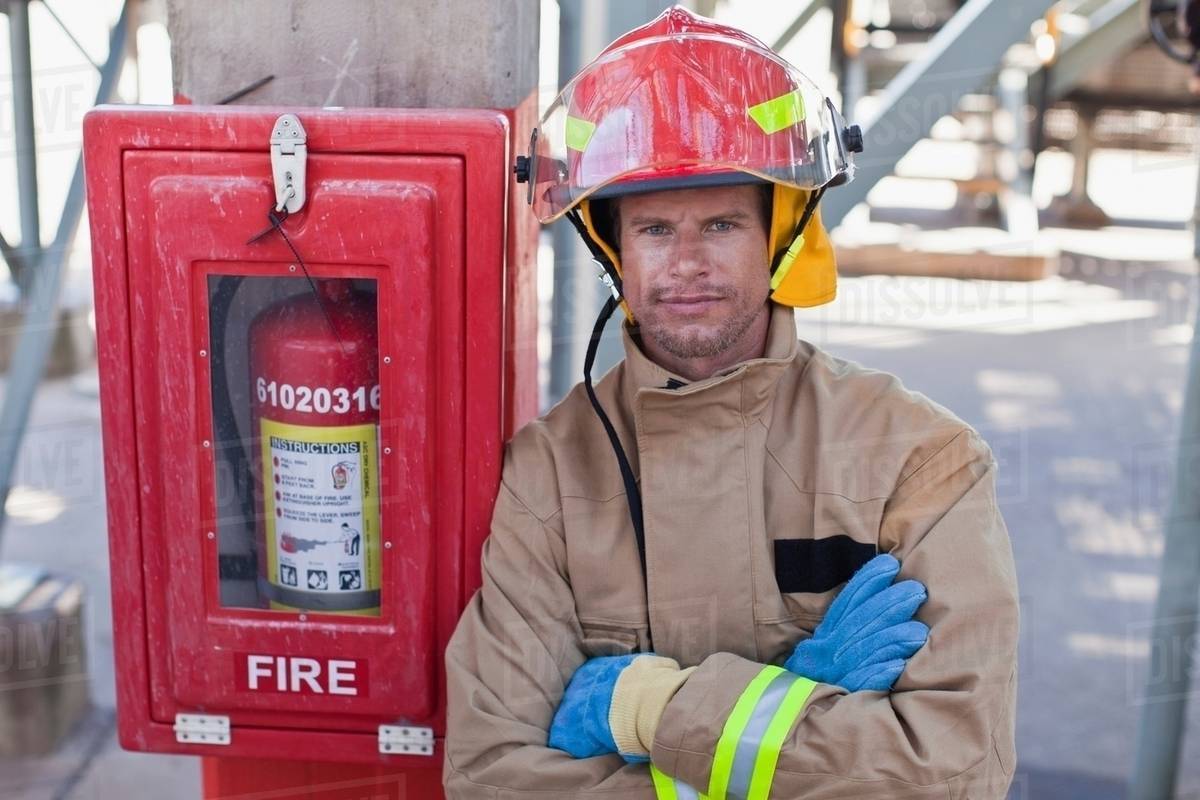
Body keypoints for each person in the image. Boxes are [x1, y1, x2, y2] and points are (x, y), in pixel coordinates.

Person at [444, 7, 1019, 799]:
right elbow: (490, 775)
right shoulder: (548, 476)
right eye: (653, 228)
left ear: (777, 237)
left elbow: (953, 769)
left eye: (720, 223)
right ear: (614, 247)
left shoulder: (917, 460)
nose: (686, 265)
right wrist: (795, 706)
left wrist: (644, 712)